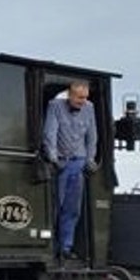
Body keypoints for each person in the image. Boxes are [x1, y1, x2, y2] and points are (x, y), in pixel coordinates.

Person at [42, 81, 98, 258]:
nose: (83, 101)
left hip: (78, 162)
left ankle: (66, 246)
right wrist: (52, 157)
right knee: (55, 205)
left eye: (85, 97)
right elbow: (49, 132)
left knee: (73, 208)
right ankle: (50, 245)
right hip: (60, 161)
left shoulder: (89, 108)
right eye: (80, 97)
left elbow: (92, 136)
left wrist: (89, 158)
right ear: (70, 95)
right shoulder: (55, 106)